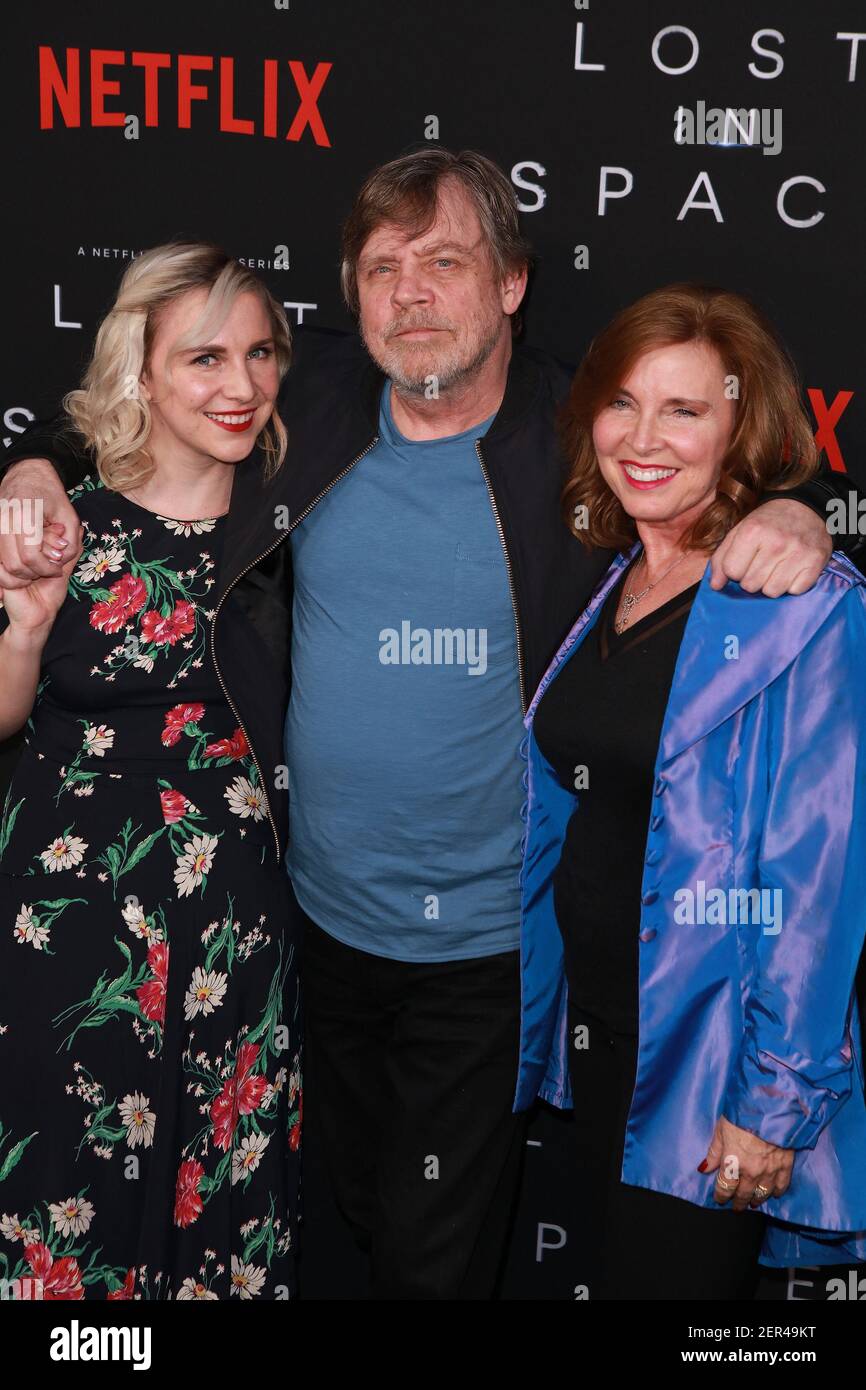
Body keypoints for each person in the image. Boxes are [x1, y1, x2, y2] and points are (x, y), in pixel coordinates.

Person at [1, 149, 863, 1301]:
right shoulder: (299, 412)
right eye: (380, 268)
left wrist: (797, 523)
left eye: (444, 262)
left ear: (509, 283)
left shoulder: (578, 434)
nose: (409, 293)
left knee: (434, 1262)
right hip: (301, 933)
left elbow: (695, 478)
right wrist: (34, 467)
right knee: (330, 1229)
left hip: (485, 954)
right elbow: (137, 437)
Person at [515, 283, 866, 1300]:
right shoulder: (615, 574)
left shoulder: (800, 608)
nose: (642, 436)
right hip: (600, 1053)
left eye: (683, 409)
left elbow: (817, 879)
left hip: (711, 1076)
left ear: (738, 426)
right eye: (622, 401)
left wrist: (772, 1103)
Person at [0, 243, 302, 1301]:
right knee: (68, 1183)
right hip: (72, 926)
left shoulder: (291, 530)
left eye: (259, 352)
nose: (239, 384)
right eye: (203, 358)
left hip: (235, 925)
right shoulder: (61, 528)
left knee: (215, 1185)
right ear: (140, 371)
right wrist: (28, 629)